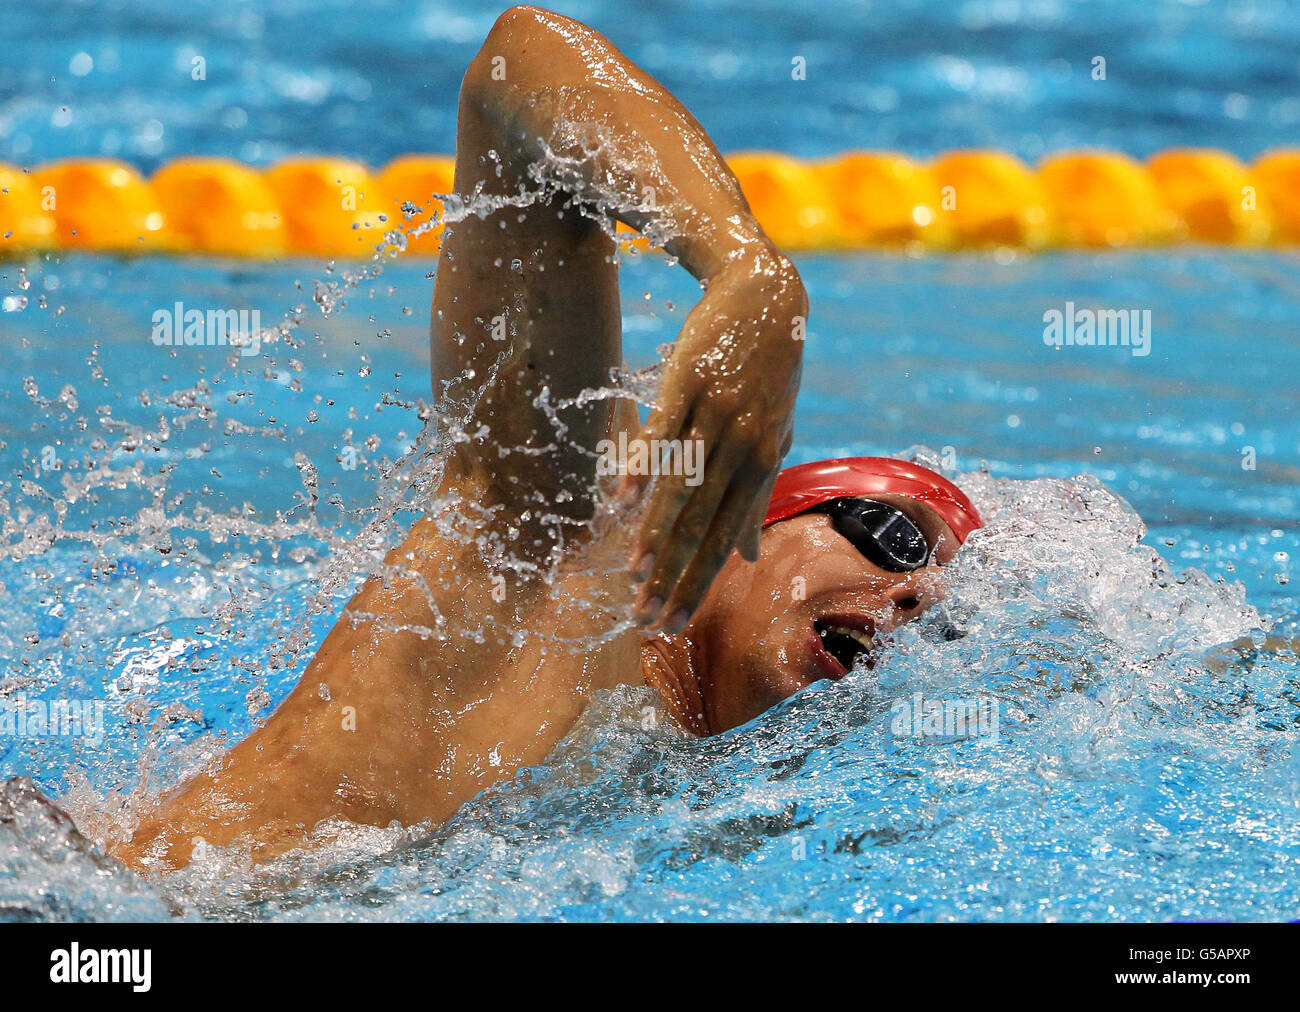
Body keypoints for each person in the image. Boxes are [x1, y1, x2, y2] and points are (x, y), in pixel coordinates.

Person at [104, 5, 982, 873]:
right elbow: (517, 65)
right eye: (896, 539)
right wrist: (751, 269)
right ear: (747, 509)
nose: (918, 602)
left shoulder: (701, 803)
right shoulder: (557, 553)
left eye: (948, 628)